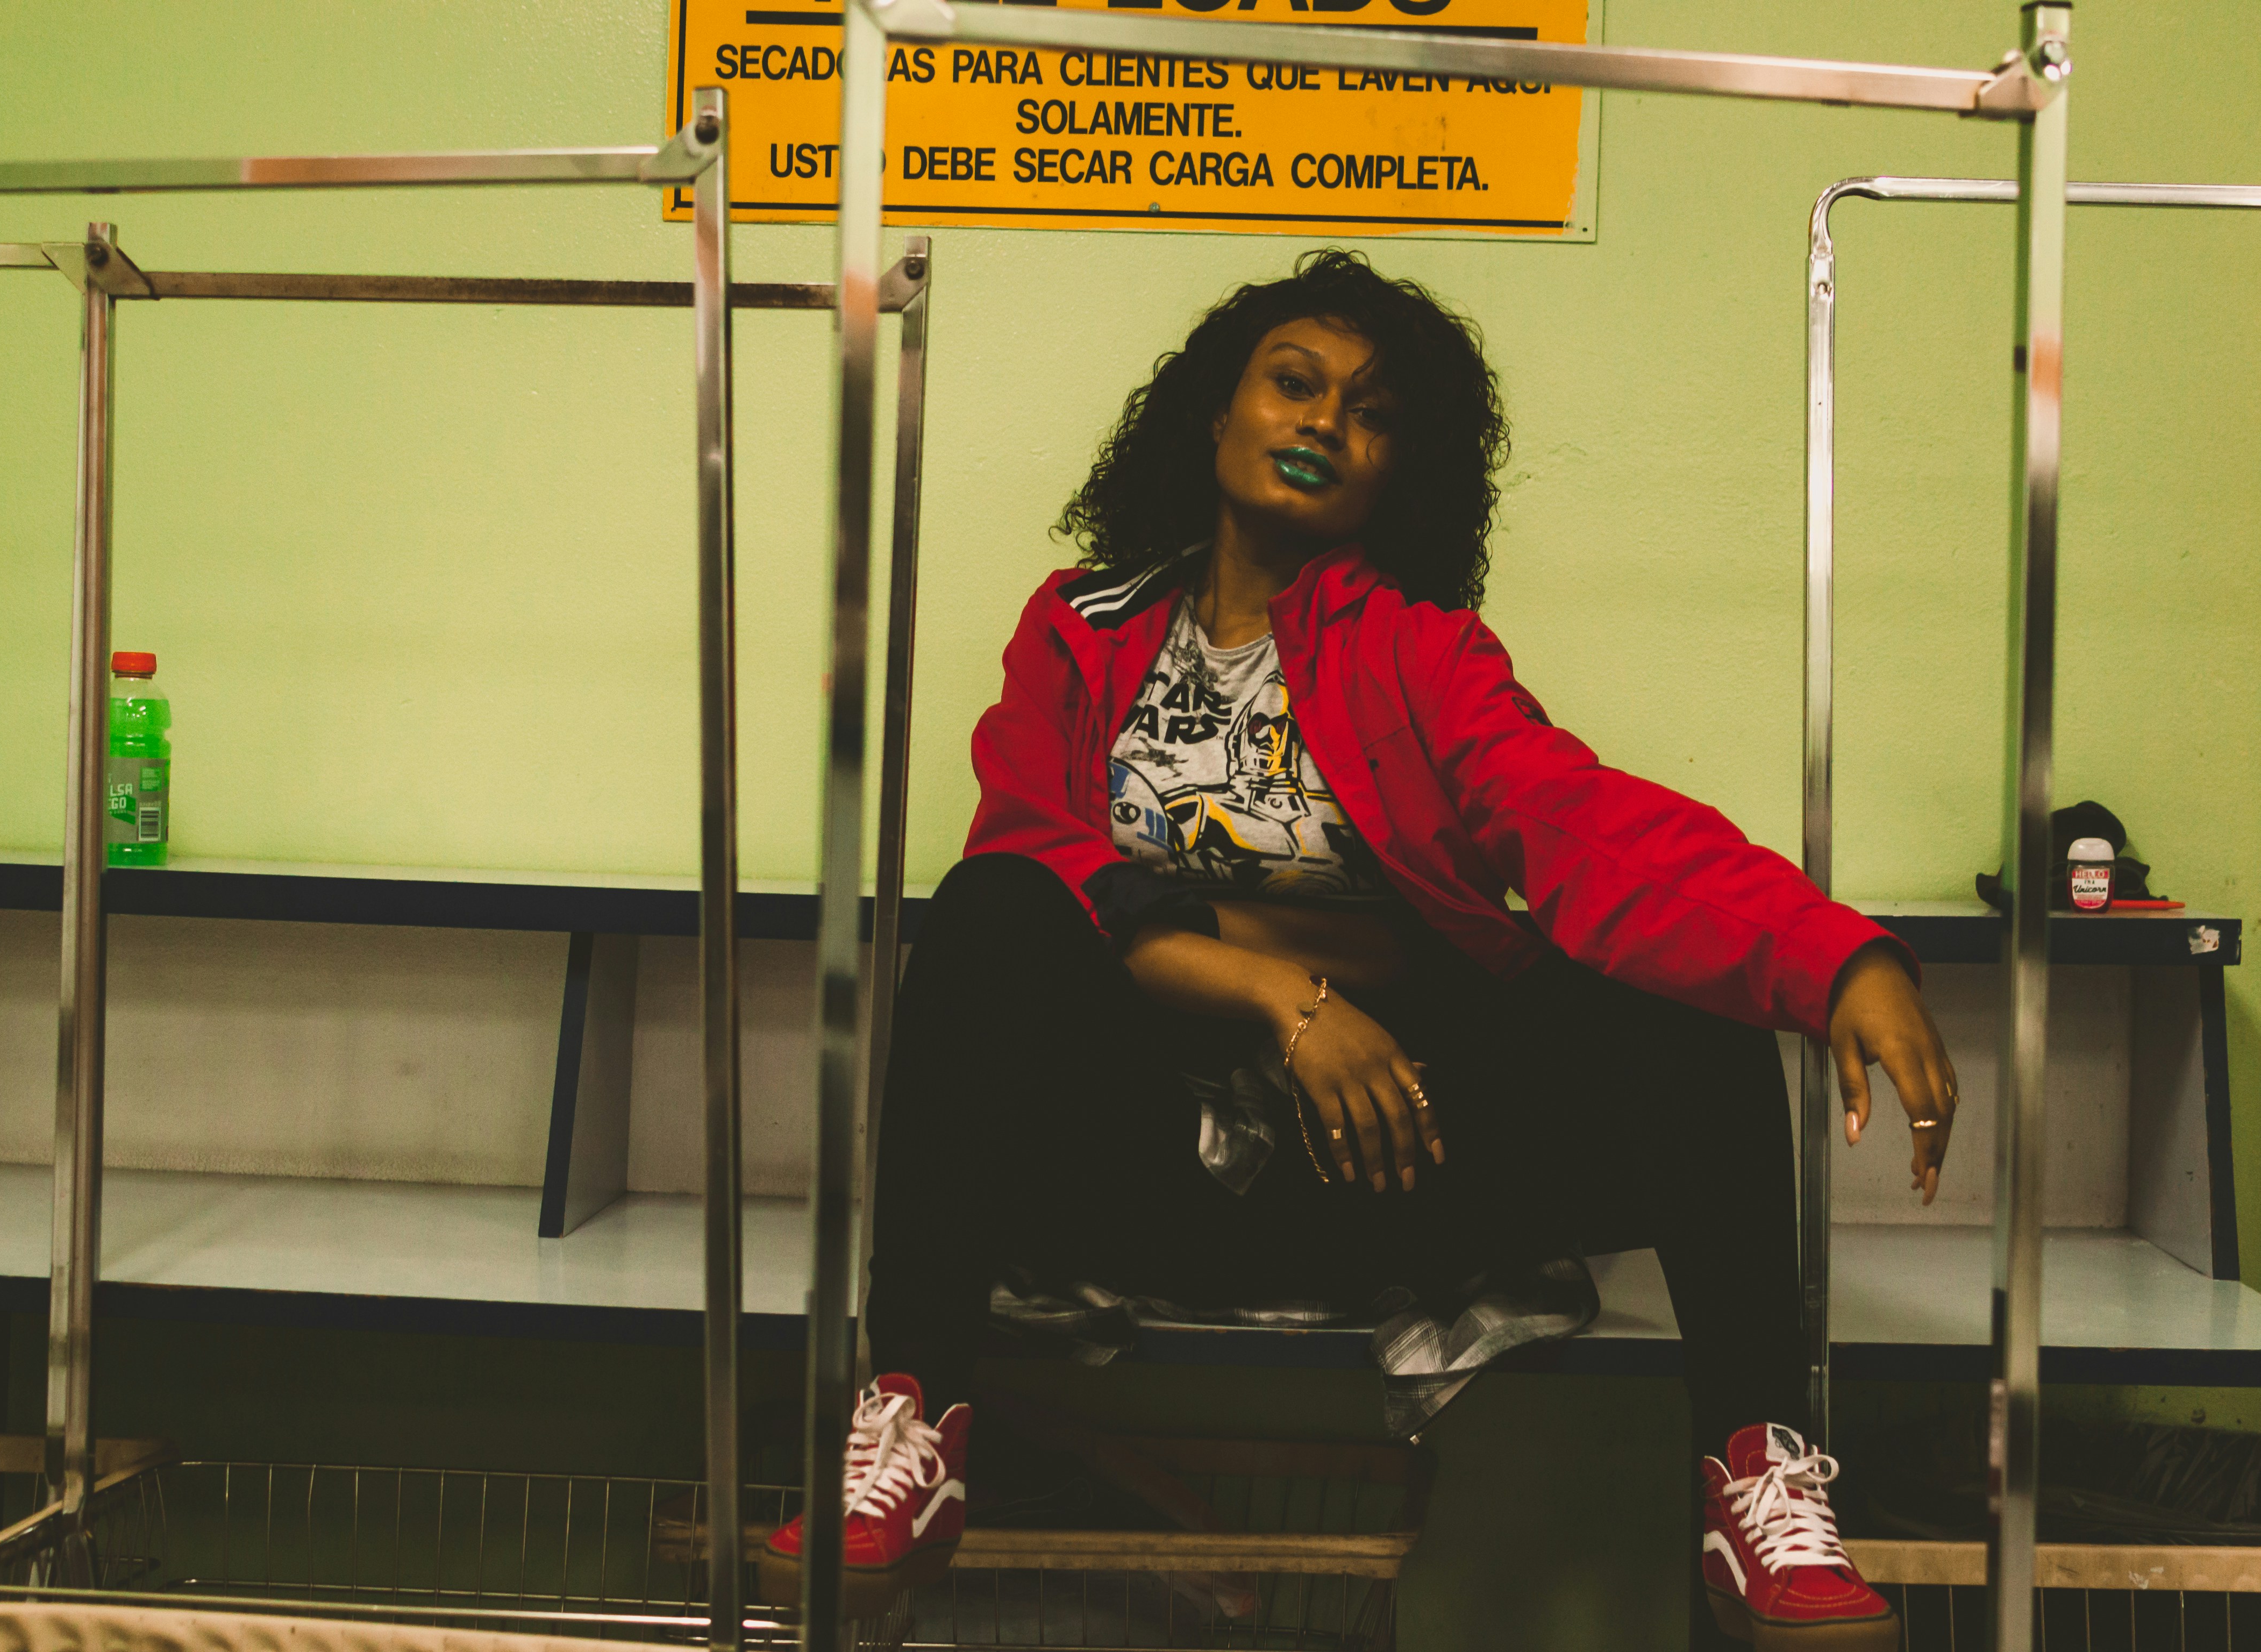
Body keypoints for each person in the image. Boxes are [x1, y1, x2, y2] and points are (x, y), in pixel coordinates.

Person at [759, 250, 1957, 1651]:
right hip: (1130, 1169)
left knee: (1669, 992)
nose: (1326, 421)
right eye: (1294, 383)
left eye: (1372, 410)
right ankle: (906, 1426)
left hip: (1390, 1164)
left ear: (1403, 469)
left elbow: (1584, 835)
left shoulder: (1419, 653)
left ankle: (1760, 1481)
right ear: (1216, 418)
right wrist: (1288, 987)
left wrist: (1839, 959)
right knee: (990, 911)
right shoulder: (1078, 628)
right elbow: (1039, 867)